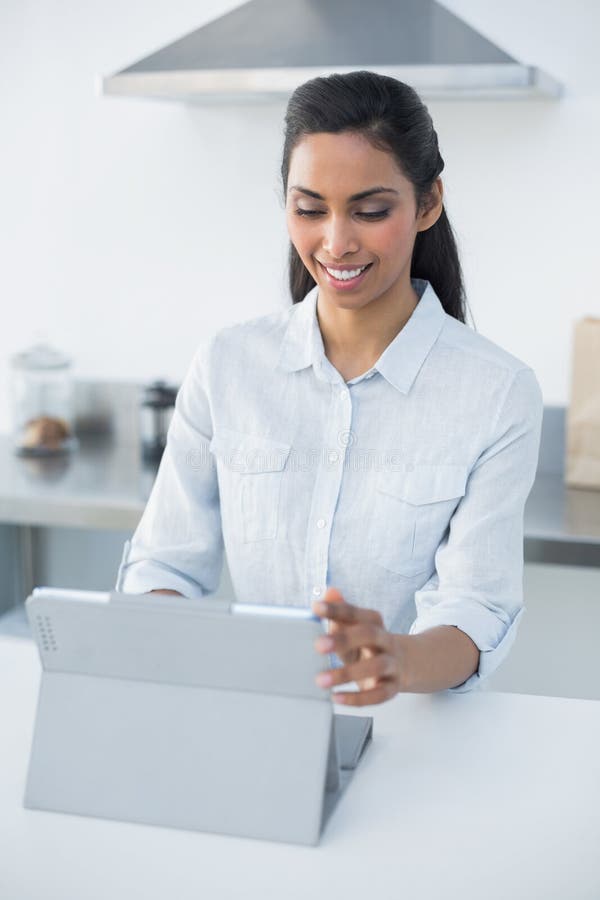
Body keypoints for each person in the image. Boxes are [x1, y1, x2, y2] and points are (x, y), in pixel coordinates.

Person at [116, 70, 543, 705]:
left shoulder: (496, 392)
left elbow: (476, 606)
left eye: (371, 211)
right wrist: (169, 639)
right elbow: (165, 563)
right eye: (309, 208)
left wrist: (399, 659)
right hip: (257, 715)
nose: (336, 242)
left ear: (428, 204)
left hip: (412, 731)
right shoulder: (229, 364)